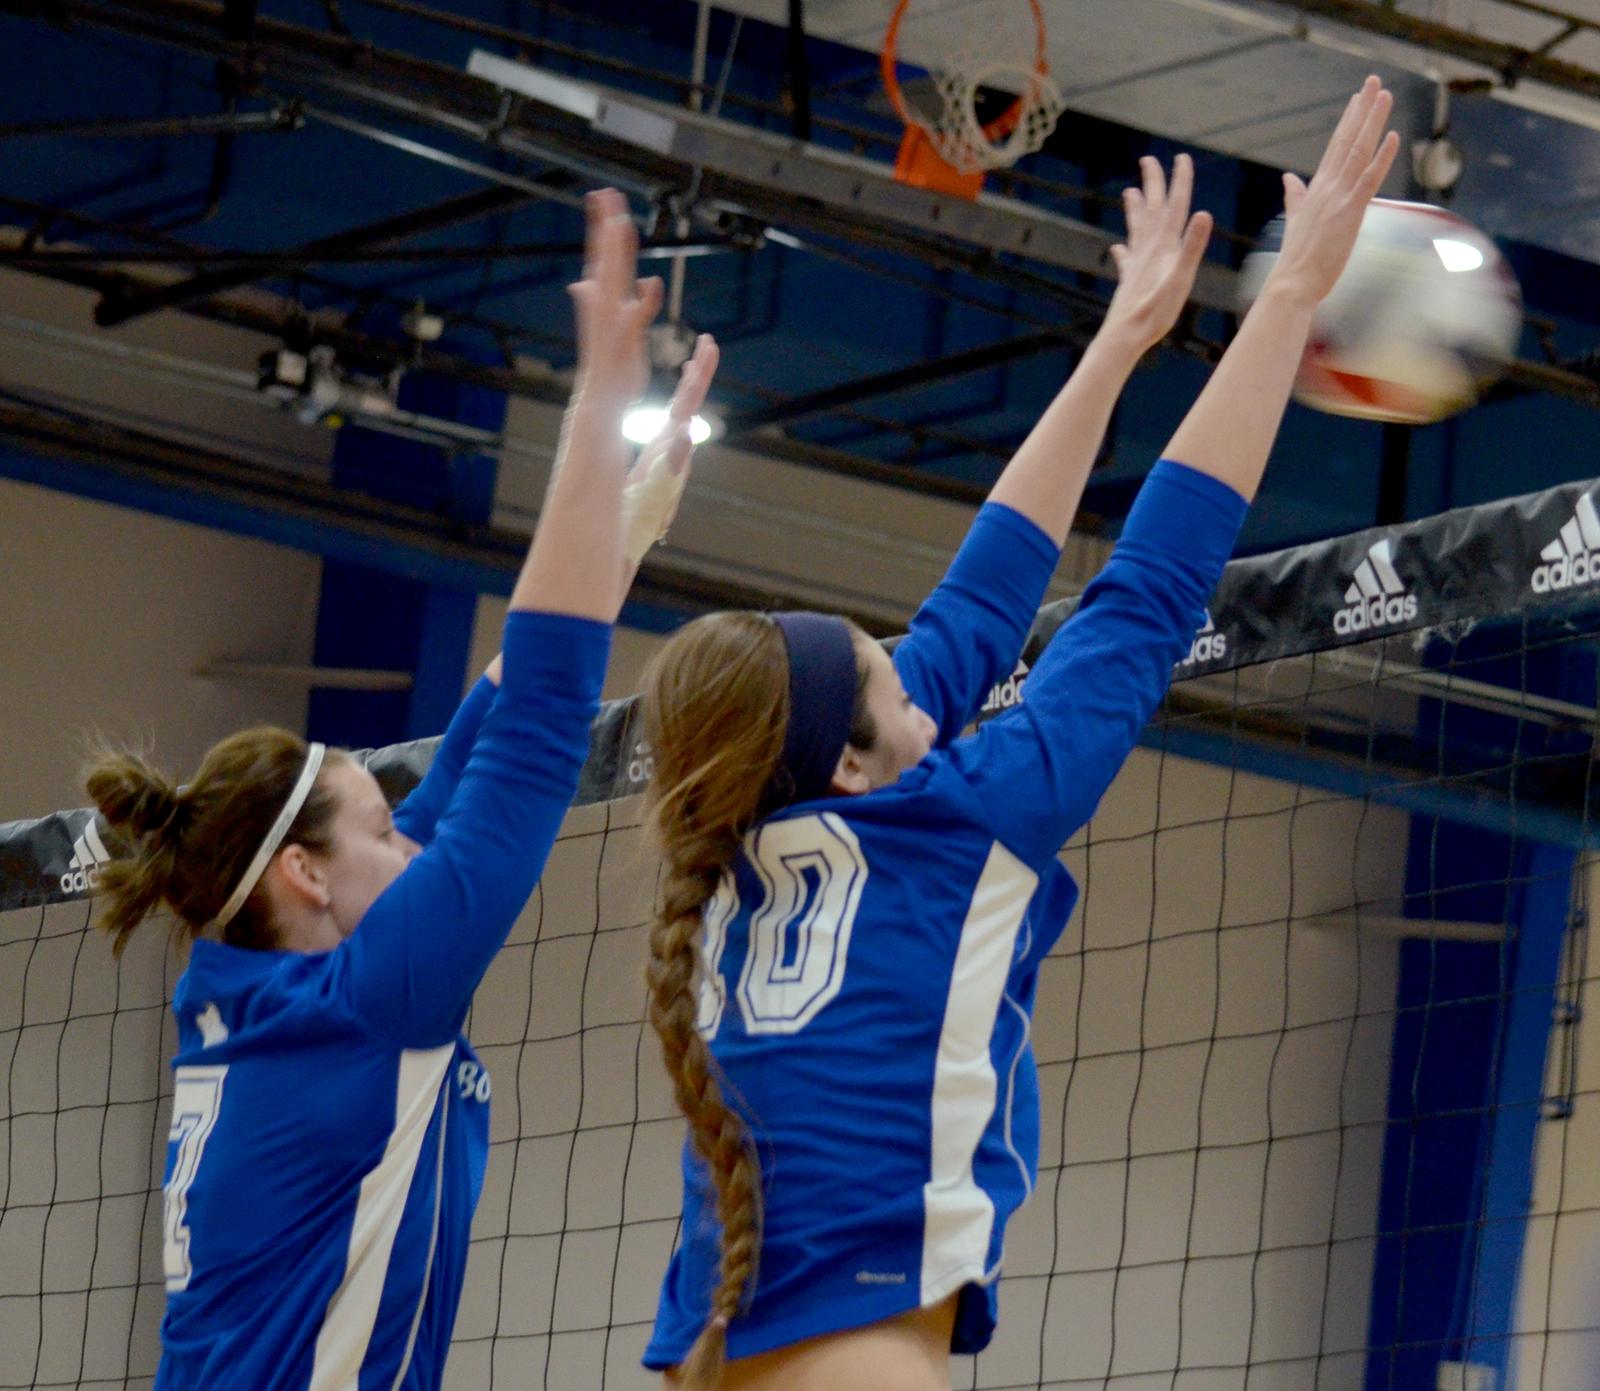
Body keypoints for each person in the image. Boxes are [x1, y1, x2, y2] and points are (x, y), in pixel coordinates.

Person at [639, 81, 1399, 1391]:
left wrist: (1124, 340)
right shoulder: (958, 820)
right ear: (853, 757)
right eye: (899, 679)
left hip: (719, 1338)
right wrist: (1288, 298)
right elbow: (1151, 584)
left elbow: (981, 601)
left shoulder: (777, 821)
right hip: (853, 1351)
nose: (934, 680)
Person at [83, 190, 718, 1391]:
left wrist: (624, 523)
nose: (412, 833)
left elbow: (480, 730)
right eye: (382, 820)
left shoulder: (260, 977)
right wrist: (587, 409)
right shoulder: (372, 1001)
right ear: (304, 873)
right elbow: (531, 730)